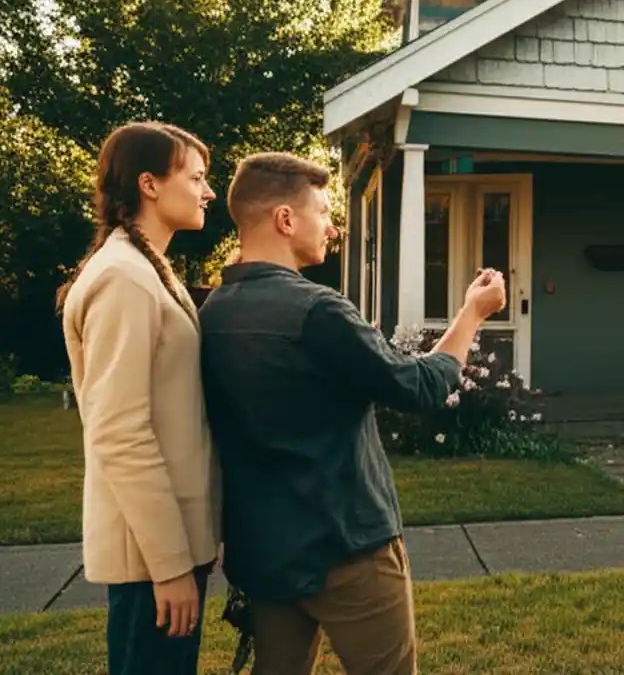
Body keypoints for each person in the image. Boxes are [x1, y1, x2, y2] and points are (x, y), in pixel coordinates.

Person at [199, 152, 506, 675]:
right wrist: (471, 313)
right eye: (322, 211)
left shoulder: (212, 312)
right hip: (347, 549)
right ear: (285, 219)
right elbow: (420, 387)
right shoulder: (319, 311)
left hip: (263, 551)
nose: (334, 226)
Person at [58, 122, 220, 674]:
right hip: (150, 559)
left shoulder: (148, 268)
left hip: (166, 549)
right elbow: (118, 430)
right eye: (196, 177)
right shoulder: (124, 277)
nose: (208, 191)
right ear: (149, 184)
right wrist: (171, 565)